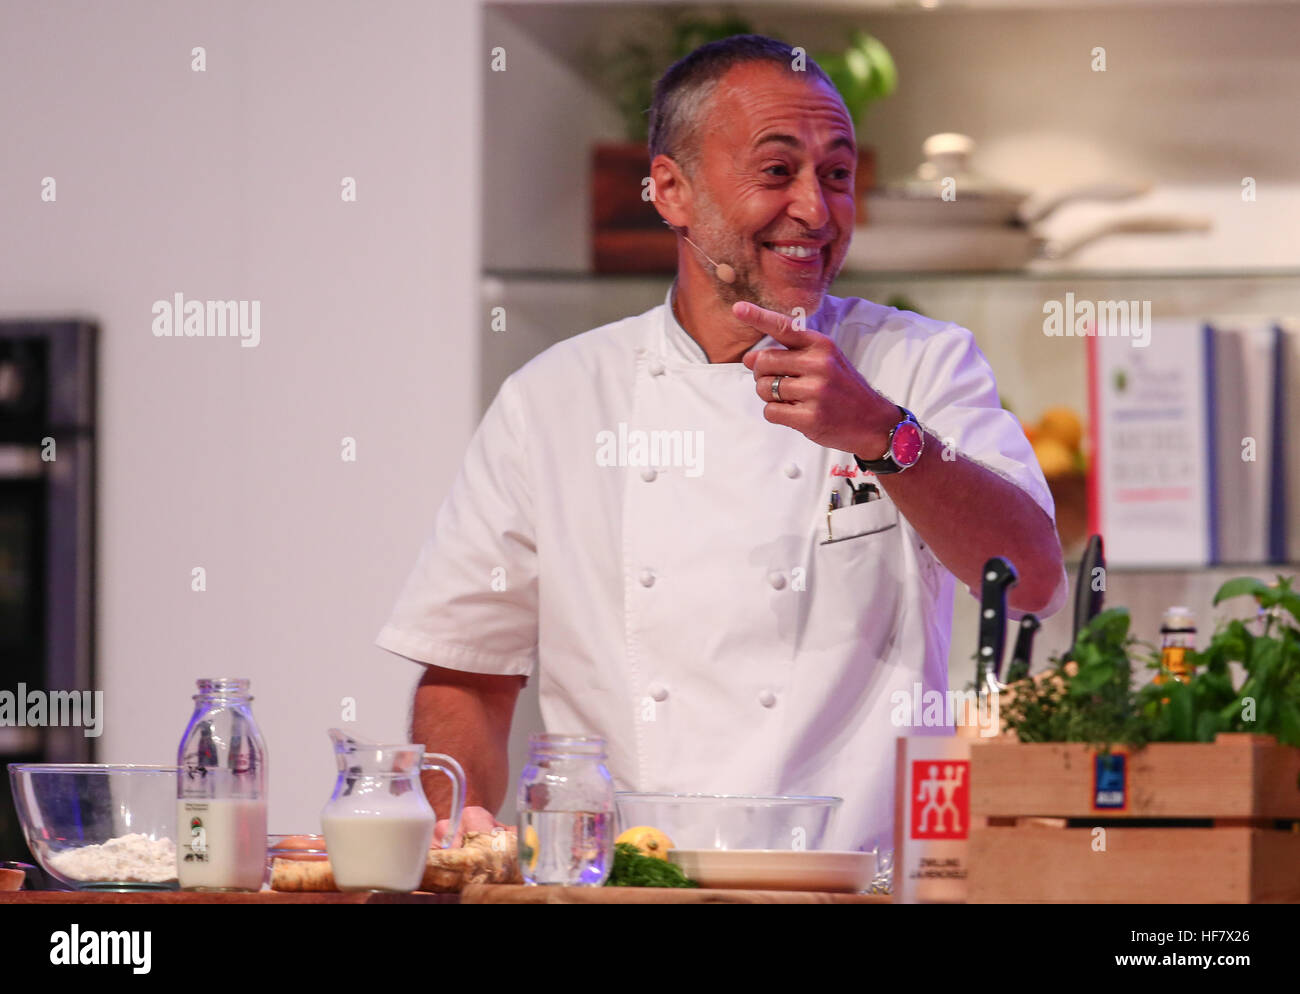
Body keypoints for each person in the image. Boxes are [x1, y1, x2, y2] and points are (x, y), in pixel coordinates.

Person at [376, 35, 1067, 854]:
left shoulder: (919, 364)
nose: (815, 209)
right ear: (671, 190)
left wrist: (883, 434)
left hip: (855, 881)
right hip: (633, 880)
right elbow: (469, 670)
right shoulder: (555, 400)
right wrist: (458, 825)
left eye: (837, 175)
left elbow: (1030, 579)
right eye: (777, 173)